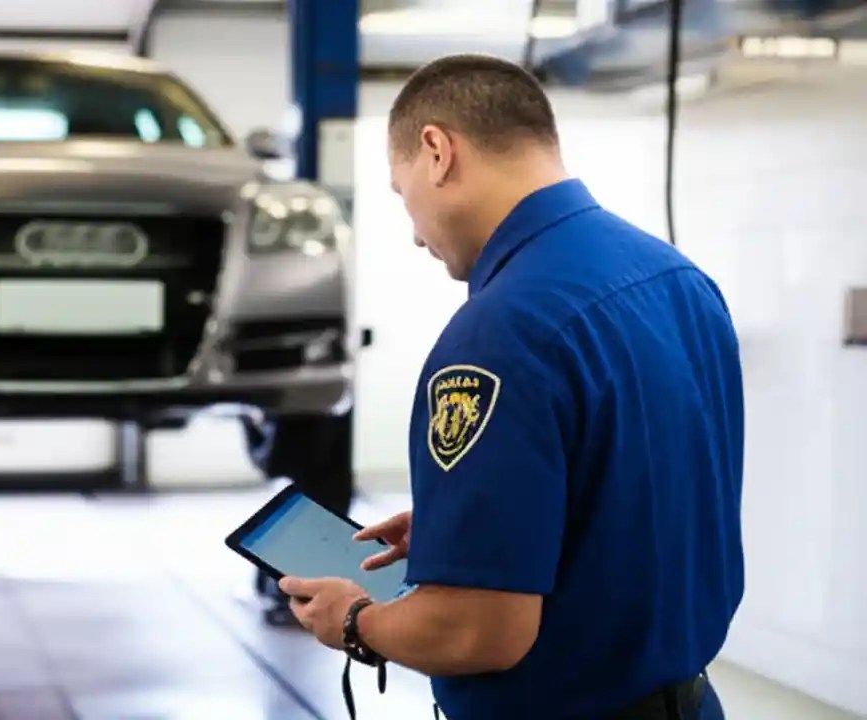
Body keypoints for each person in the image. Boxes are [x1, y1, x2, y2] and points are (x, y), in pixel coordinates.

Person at [277, 54, 744, 719]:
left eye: (401, 191)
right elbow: (638, 496)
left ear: (437, 152)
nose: (413, 233)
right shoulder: (679, 281)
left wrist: (353, 620)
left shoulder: (497, 334)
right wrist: (465, 532)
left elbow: (478, 631)